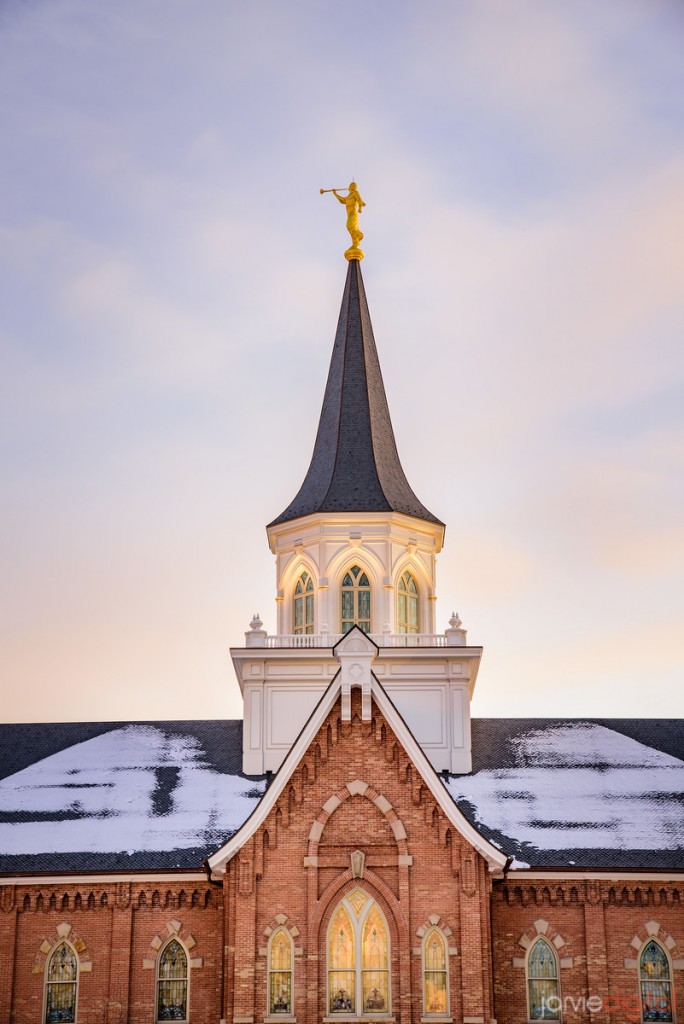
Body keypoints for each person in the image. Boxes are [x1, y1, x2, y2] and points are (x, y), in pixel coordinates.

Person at [333, 182, 365, 250]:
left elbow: (359, 200)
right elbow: (342, 199)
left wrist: (360, 208)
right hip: (349, 213)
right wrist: (335, 193)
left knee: (350, 226)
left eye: (354, 186)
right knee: (351, 227)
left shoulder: (355, 193)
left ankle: (359, 234)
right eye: (351, 185)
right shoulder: (348, 197)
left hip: (353, 212)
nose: (352, 187)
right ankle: (355, 242)